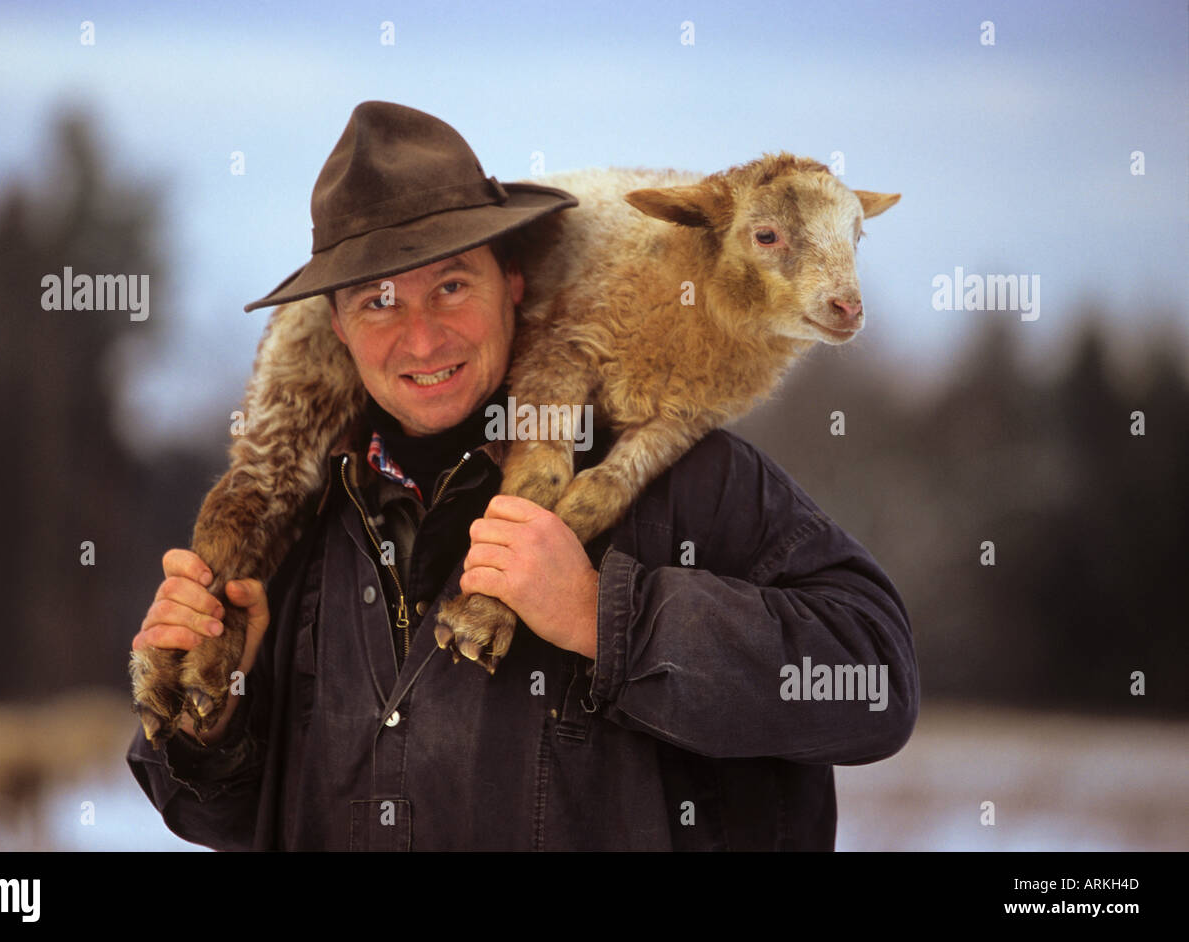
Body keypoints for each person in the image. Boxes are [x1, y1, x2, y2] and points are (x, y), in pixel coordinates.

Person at [126, 101, 919, 851]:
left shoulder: (689, 484)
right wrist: (214, 718)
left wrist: (609, 620)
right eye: (378, 301)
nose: (422, 336)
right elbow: (236, 819)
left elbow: (873, 684)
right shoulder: (314, 528)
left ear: (514, 283)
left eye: (451, 285)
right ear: (337, 325)